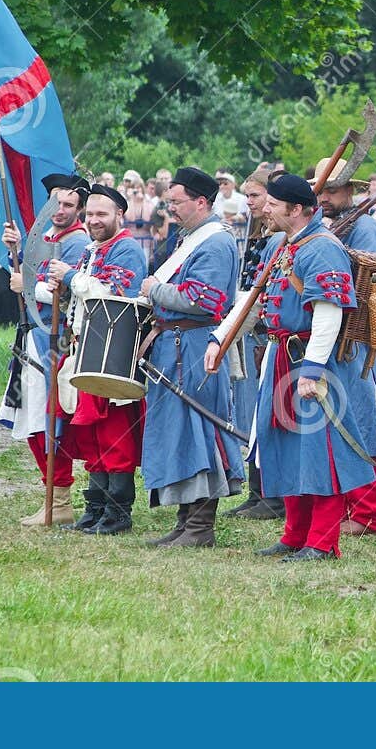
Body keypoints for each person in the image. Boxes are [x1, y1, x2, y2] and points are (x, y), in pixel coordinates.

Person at [206, 173, 376, 561]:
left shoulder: (323, 249)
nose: (264, 209)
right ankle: (295, 534)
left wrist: (312, 371)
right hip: (281, 357)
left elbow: (328, 314)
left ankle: (322, 542)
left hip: (311, 363)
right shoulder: (281, 246)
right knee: (287, 448)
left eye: (272, 204)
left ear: (296, 209)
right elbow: (254, 301)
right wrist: (221, 338)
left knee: (320, 451)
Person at [138, 167, 244, 548]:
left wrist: (155, 290)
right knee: (181, 432)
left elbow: (203, 300)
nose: (171, 208)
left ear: (201, 202)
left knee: (200, 430)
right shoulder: (191, 238)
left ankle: (200, 527)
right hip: (177, 346)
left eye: (176, 202)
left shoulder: (215, 243)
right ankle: (186, 522)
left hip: (195, 348)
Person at [50, 183, 149, 535]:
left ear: (119, 214)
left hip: (111, 352)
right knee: (91, 434)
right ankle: (94, 509)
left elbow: (112, 295)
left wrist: (71, 276)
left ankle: (117, 512)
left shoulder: (127, 249)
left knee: (114, 434)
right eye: (89, 213)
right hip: (85, 349)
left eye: (101, 214)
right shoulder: (91, 250)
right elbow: (79, 299)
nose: (93, 220)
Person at [313, 156, 376, 537]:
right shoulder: (326, 224)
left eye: (332, 190)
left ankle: (367, 514)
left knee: (362, 422)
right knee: (339, 422)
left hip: (357, 339)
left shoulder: (363, 226)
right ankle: (346, 506)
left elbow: (369, 283)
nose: (325, 198)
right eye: (322, 190)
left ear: (350, 190)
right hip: (333, 336)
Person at [0, 174, 90, 526]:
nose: (60, 210)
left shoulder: (78, 242)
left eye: (68, 204)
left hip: (56, 339)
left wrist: (27, 285)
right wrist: (16, 248)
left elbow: (67, 296)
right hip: (33, 337)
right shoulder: (47, 235)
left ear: (80, 209)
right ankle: (53, 496)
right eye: (55, 202)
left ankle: (60, 500)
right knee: (32, 418)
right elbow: (24, 273)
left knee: (49, 420)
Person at [224, 168, 286, 520]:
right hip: (252, 333)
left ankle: (272, 496)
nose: (248, 202)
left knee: (266, 415)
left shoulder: (278, 240)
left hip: (265, 334)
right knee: (252, 415)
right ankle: (257, 493)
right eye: (246, 195)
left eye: (255, 196)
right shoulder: (262, 234)